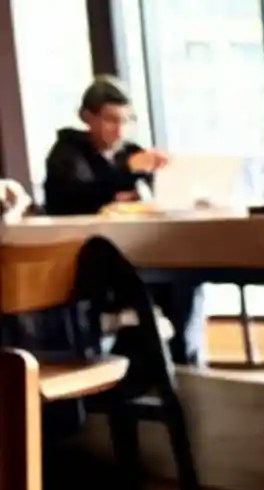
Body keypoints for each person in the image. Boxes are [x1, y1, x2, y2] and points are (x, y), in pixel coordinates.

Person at [43, 76, 205, 366]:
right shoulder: (67, 153)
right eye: (111, 120)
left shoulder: (131, 152)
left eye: (127, 120)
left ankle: (183, 366)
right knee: (159, 288)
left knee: (186, 280)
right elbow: (73, 197)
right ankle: (151, 368)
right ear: (87, 117)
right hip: (87, 261)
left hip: (138, 252)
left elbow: (151, 198)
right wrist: (126, 171)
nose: (120, 129)